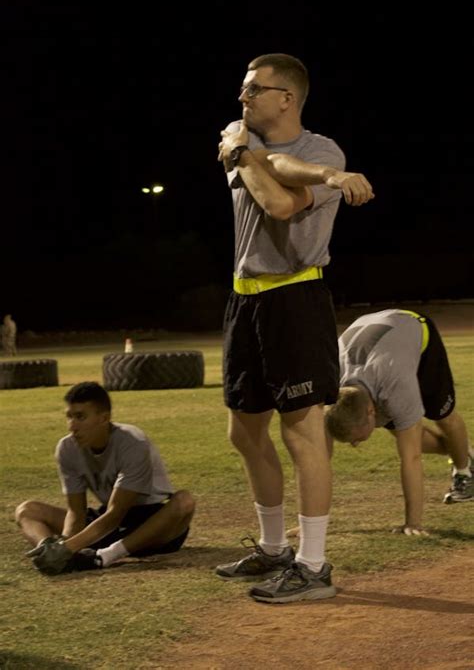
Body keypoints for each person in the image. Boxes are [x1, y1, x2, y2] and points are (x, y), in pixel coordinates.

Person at [215, 53, 375, 603]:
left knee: (302, 432)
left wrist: (322, 171)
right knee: (244, 431)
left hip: (295, 295)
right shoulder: (239, 140)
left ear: (288, 97)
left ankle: (312, 564)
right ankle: (273, 547)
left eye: (255, 90)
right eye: (243, 89)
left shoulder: (322, 151)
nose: (244, 99)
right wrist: (245, 152)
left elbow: (279, 200)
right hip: (244, 300)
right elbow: (271, 175)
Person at [15, 381, 195, 575]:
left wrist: (69, 547)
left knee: (184, 501)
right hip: (104, 525)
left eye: (80, 417)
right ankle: (47, 551)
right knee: (27, 510)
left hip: (151, 526)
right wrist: (64, 544)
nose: (72, 426)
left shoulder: (133, 442)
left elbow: (116, 513)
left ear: (104, 418)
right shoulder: (67, 448)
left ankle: (105, 556)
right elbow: (76, 512)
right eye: (69, 416)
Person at [324, 308, 474, 535]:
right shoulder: (329, 386)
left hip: (414, 331)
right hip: (376, 341)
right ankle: (467, 451)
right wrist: (311, 521)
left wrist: (413, 523)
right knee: (406, 431)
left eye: (354, 438)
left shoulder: (394, 386)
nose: (355, 445)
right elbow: (318, 460)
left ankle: (465, 472)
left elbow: (411, 458)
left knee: (441, 416)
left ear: (371, 410)